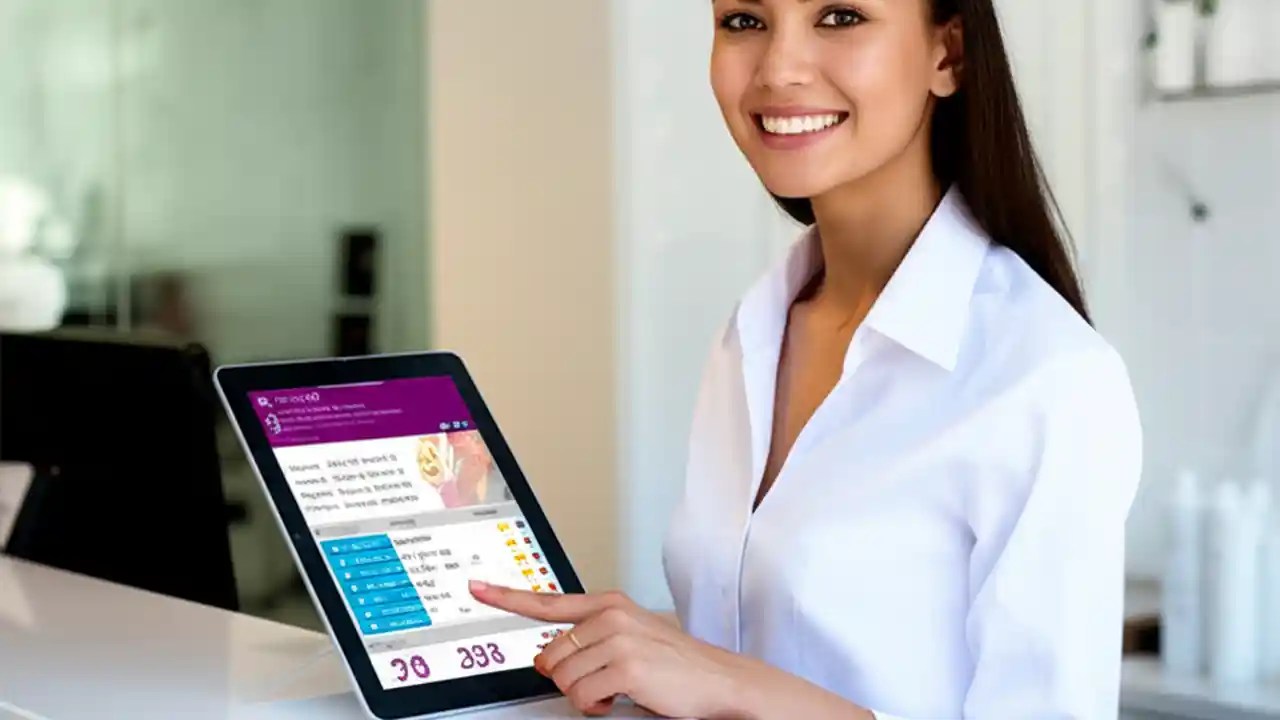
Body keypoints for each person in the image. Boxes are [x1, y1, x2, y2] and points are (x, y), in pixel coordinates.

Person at [470, 0, 1142, 717]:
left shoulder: (1046, 378)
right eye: (744, 22)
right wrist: (634, 650)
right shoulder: (754, 334)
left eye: (841, 16)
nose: (779, 68)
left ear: (947, 55)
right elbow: (765, 645)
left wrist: (725, 683)